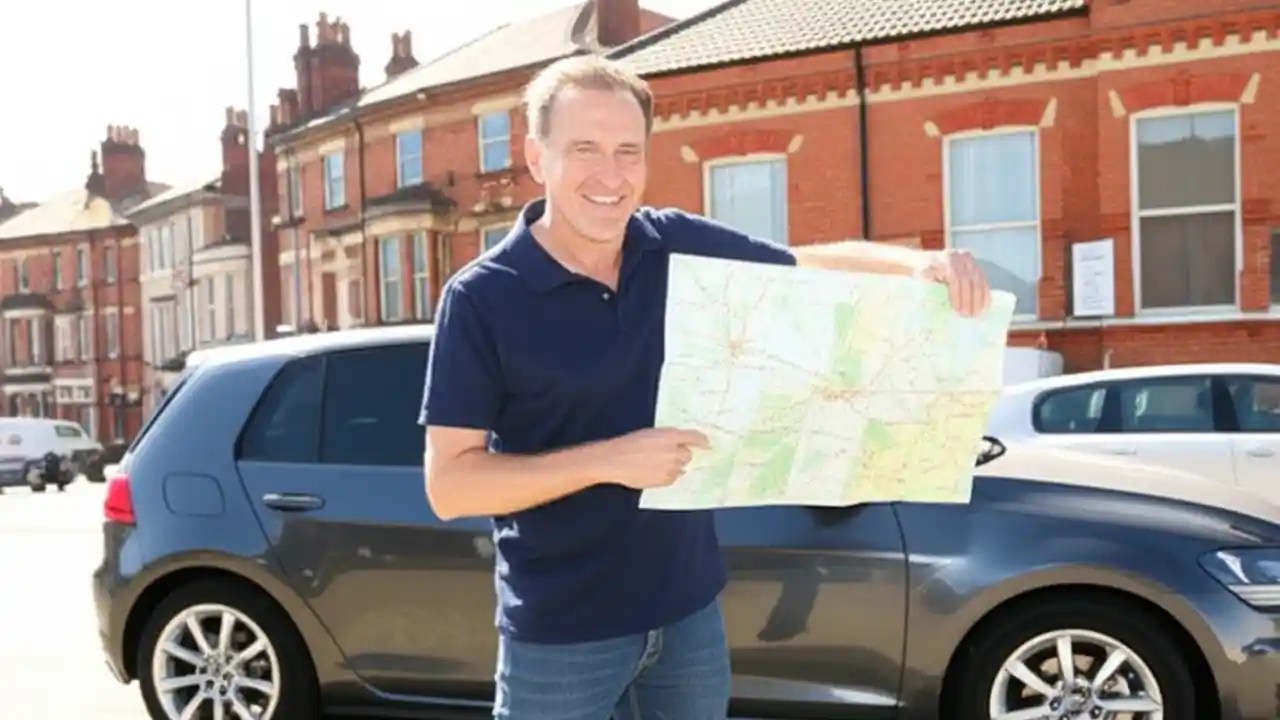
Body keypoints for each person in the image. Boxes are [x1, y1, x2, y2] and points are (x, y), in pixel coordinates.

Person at [419, 54, 991, 720]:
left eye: (628, 152)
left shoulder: (674, 245)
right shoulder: (482, 299)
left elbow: (802, 265)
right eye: (585, 150)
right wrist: (611, 461)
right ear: (536, 157)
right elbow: (450, 484)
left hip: (687, 617)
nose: (611, 176)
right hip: (562, 636)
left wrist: (918, 264)